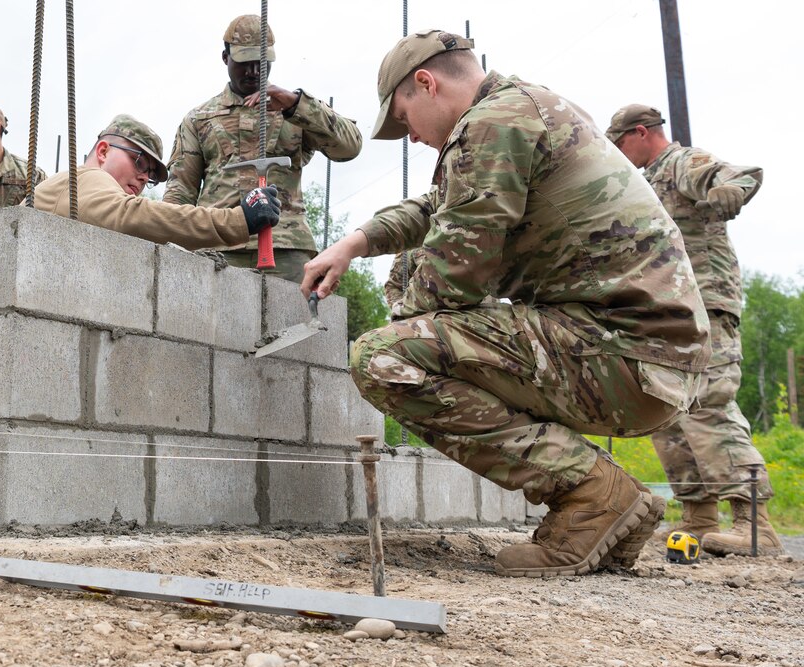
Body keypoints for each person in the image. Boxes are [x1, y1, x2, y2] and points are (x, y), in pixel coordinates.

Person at [304, 30, 711, 577]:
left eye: (405, 121)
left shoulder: (495, 123)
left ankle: (591, 493)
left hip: (621, 355)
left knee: (385, 359)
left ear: (426, 83)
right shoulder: (522, 109)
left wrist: (403, 330)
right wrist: (358, 241)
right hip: (637, 354)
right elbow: (437, 206)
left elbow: (454, 273)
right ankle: (608, 508)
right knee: (409, 295)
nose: (413, 139)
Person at [607, 104, 779, 556]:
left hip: (707, 305)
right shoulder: (644, 183)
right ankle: (698, 515)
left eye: (621, 143)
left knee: (710, 403)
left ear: (641, 133)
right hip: (668, 311)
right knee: (668, 410)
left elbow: (742, 175)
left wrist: (729, 191)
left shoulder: (681, 163)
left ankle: (753, 523)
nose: (620, 154)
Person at [162, 14, 362, 282]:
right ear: (225, 57)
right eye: (244, 62)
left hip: (286, 248)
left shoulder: (295, 110)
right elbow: (179, 194)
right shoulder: (199, 118)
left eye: (261, 62)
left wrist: (296, 104)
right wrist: (170, 251)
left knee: (295, 323)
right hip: (218, 244)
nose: (254, 71)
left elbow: (349, 147)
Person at [34, 114, 281, 250]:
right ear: (103, 152)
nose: (144, 177)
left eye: (151, 175)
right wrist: (238, 220)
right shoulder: (85, 179)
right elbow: (135, 214)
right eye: (139, 161)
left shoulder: (83, 200)